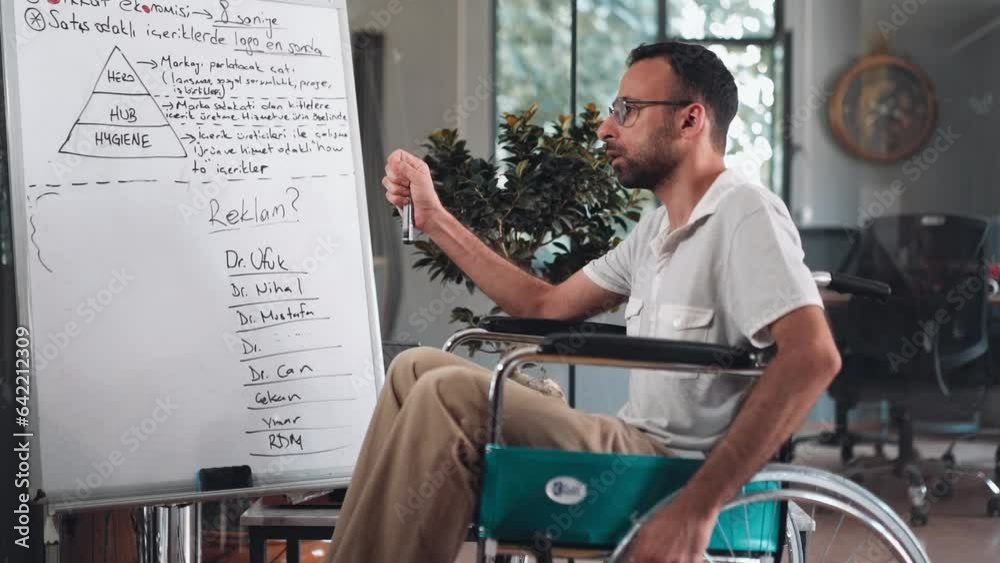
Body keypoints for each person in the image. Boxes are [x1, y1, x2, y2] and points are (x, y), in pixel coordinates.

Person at [327, 41, 841, 563]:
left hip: (674, 471)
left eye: (628, 110)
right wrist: (433, 218)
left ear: (690, 121)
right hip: (630, 443)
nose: (606, 128)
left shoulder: (746, 213)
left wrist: (696, 507)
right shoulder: (657, 228)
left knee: (446, 396)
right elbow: (544, 304)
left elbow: (813, 357)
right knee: (413, 368)